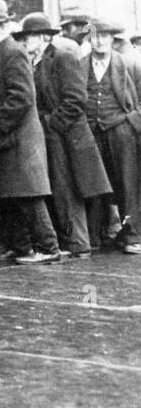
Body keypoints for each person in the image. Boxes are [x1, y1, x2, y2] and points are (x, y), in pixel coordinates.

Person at [20, 13, 111, 258]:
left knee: (68, 191)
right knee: (59, 190)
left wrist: (52, 123)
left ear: (40, 37)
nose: (25, 42)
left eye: (27, 37)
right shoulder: (35, 62)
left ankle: (78, 244)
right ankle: (70, 242)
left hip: (67, 137)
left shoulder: (62, 58)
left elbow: (76, 99)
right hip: (52, 137)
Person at [0, 0, 59, 264]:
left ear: (2, 26)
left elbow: (22, 97)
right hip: (7, 138)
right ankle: (22, 248)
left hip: (19, 138)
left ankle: (48, 247)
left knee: (29, 195)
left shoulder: (13, 52)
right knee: (10, 195)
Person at [83, 18, 141, 254]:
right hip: (91, 130)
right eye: (95, 36)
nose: (99, 41)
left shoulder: (129, 65)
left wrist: (132, 122)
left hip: (121, 130)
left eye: (104, 36)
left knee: (127, 181)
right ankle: (99, 235)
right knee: (96, 183)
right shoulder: (80, 65)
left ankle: (132, 235)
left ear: (111, 39)